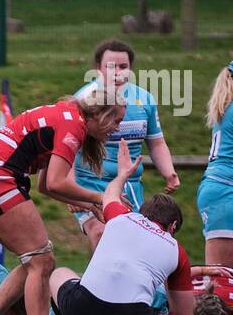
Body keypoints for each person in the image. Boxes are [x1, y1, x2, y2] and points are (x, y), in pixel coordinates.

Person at [0, 86, 125, 315]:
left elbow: (45, 184)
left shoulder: (68, 116)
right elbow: (55, 182)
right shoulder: (73, 124)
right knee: (41, 260)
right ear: (100, 114)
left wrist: (87, 205)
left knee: (34, 260)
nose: (117, 128)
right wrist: (100, 197)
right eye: (116, 120)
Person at [50, 140, 201, 315]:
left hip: (84, 313)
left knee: (58, 274)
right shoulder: (176, 249)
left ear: (142, 213)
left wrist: (123, 175)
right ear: (172, 226)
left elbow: (110, 193)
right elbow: (186, 314)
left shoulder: (122, 216)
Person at [71, 39, 180, 250]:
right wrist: (71, 191)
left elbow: (156, 143)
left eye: (123, 67)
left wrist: (169, 172)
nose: (117, 72)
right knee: (102, 233)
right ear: (97, 68)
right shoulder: (83, 100)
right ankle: (97, 283)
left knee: (138, 244)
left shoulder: (144, 99)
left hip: (130, 186)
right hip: (91, 182)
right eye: (110, 67)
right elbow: (67, 147)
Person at [196, 61, 233, 268]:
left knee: (221, 274)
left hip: (221, 186)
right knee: (219, 275)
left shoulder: (230, 105)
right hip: (227, 189)